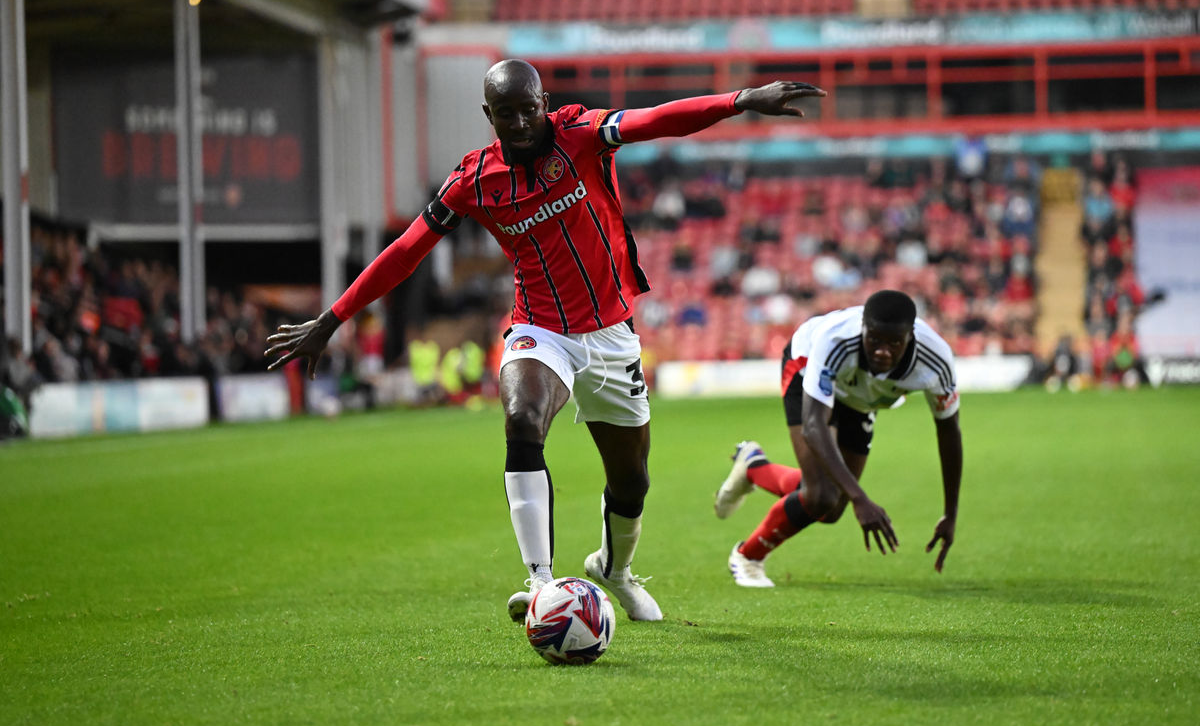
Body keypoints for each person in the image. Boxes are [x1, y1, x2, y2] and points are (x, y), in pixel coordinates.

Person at [264, 59, 826, 622]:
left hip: (610, 335)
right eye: (505, 114)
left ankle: (615, 569)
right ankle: (541, 583)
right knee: (523, 418)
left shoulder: (582, 134)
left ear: (544, 101)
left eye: (528, 108)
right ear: (490, 115)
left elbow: (657, 119)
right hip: (539, 328)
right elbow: (406, 251)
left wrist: (742, 99)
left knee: (631, 482)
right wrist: (332, 320)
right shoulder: (472, 182)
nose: (520, 122)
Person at [713, 289, 963, 587]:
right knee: (820, 496)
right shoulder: (834, 340)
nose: (883, 351)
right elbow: (815, 426)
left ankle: (753, 467)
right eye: (875, 340)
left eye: (894, 343)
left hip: (862, 397)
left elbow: (949, 431)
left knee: (830, 509)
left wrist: (950, 514)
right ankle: (748, 556)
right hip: (805, 371)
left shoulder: (936, 361)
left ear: (910, 336)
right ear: (863, 329)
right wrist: (860, 497)